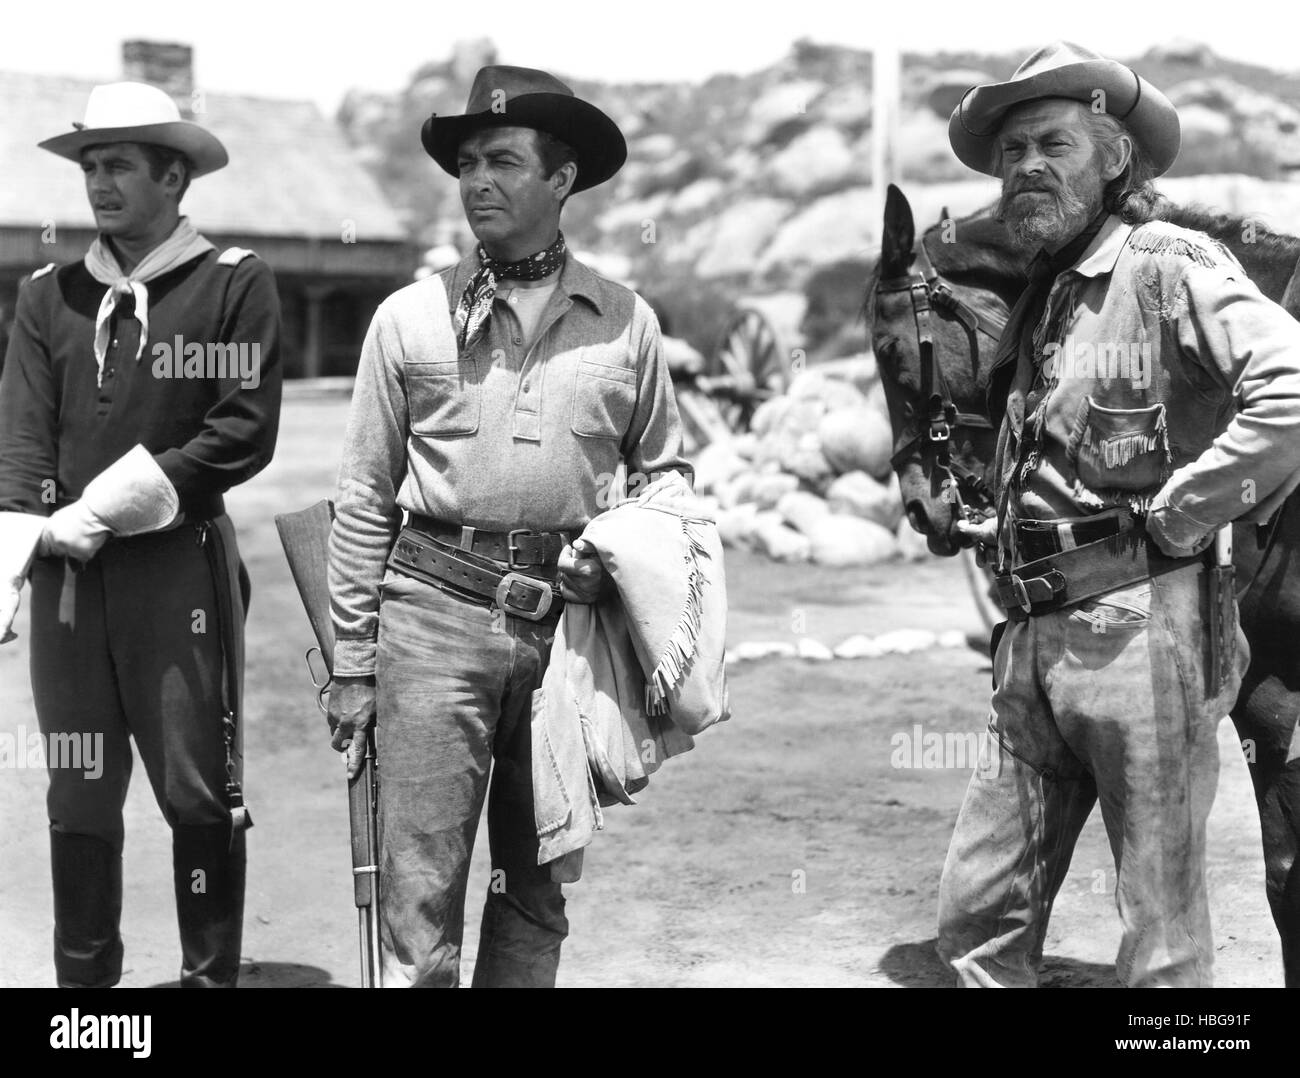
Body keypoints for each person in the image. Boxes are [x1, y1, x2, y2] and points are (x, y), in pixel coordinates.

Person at [937, 42, 1300, 987]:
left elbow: (1292, 391)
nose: (1026, 167)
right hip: (1031, 637)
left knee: (1161, 938)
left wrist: (1183, 513)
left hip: (1143, 633)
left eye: (1053, 143)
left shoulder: (1166, 263)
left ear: (1116, 161)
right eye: (1012, 150)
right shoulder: (1046, 294)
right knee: (977, 920)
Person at [326, 65, 691, 988]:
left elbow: (668, 478)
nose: (477, 181)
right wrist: (354, 663)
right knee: (422, 889)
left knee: (535, 886)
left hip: (567, 637)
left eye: (503, 161)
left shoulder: (625, 321)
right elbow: (364, 497)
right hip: (433, 620)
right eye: (467, 163)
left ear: (562, 179)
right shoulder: (407, 318)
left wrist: (616, 565)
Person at [0, 81, 282, 987]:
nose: (99, 182)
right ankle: (86, 998)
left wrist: (101, 507)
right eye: (90, 165)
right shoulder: (50, 295)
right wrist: (13, 560)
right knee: (76, 790)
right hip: (69, 585)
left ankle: (207, 979)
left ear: (173, 174)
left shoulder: (231, 284)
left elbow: (239, 431)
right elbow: (22, 441)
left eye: (119, 164)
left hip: (177, 572)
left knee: (198, 790)